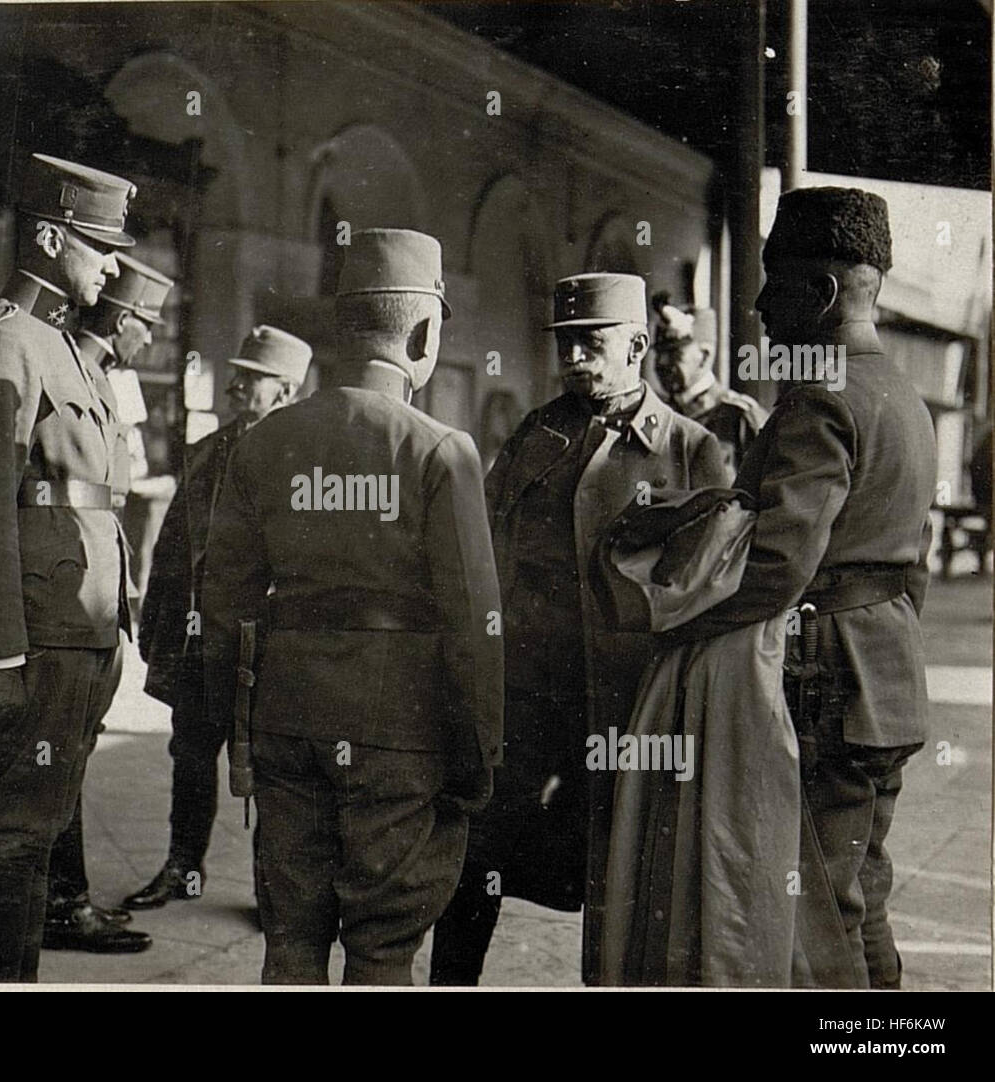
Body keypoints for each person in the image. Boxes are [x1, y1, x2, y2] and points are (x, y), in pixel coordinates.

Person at [202, 229, 503, 984]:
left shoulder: (263, 443)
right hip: (399, 733)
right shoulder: (441, 451)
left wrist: (239, 726)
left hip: (287, 721)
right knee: (382, 949)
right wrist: (477, 756)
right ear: (425, 334)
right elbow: (475, 622)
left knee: (292, 940)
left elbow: (222, 601)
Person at [430, 272, 730, 986]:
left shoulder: (692, 449)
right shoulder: (538, 432)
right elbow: (484, 548)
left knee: (622, 882)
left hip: (629, 708)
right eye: (567, 345)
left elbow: (707, 592)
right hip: (527, 701)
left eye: (591, 345)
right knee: (476, 864)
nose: (575, 361)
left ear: (637, 342)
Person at [671, 186, 937, 989]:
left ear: (820, 293)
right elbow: (906, 563)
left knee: (820, 910)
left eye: (772, 280)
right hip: (884, 678)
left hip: (824, 683)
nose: (757, 303)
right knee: (859, 895)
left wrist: (676, 617)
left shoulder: (819, 397)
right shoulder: (902, 396)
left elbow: (779, 566)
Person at [0, 152, 138, 981]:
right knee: (16, 840)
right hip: (36, 638)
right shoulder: (6, 344)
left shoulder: (63, 349)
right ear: (51, 238)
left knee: (42, 832)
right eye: (98, 245)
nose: (114, 265)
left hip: (78, 633)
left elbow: (94, 494)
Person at [126, 325, 311, 910]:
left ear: (284, 391)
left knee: (275, 768)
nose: (236, 384)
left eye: (251, 378)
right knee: (191, 752)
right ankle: (183, 867)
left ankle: (274, 890)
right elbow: (174, 546)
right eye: (238, 373)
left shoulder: (304, 456)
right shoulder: (209, 451)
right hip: (200, 637)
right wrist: (155, 623)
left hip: (269, 643)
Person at [35, 252, 176, 953]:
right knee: (54, 761)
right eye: (145, 325)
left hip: (90, 595)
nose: (149, 338)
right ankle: (57, 907)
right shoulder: (65, 369)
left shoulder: (99, 377)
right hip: (62, 594)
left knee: (72, 757)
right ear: (121, 321)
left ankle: (66, 899)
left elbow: (120, 480)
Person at [651, 295, 768, 475]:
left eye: (674, 353)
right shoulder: (658, 413)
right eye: (659, 353)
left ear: (704, 356)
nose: (662, 363)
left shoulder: (741, 418)